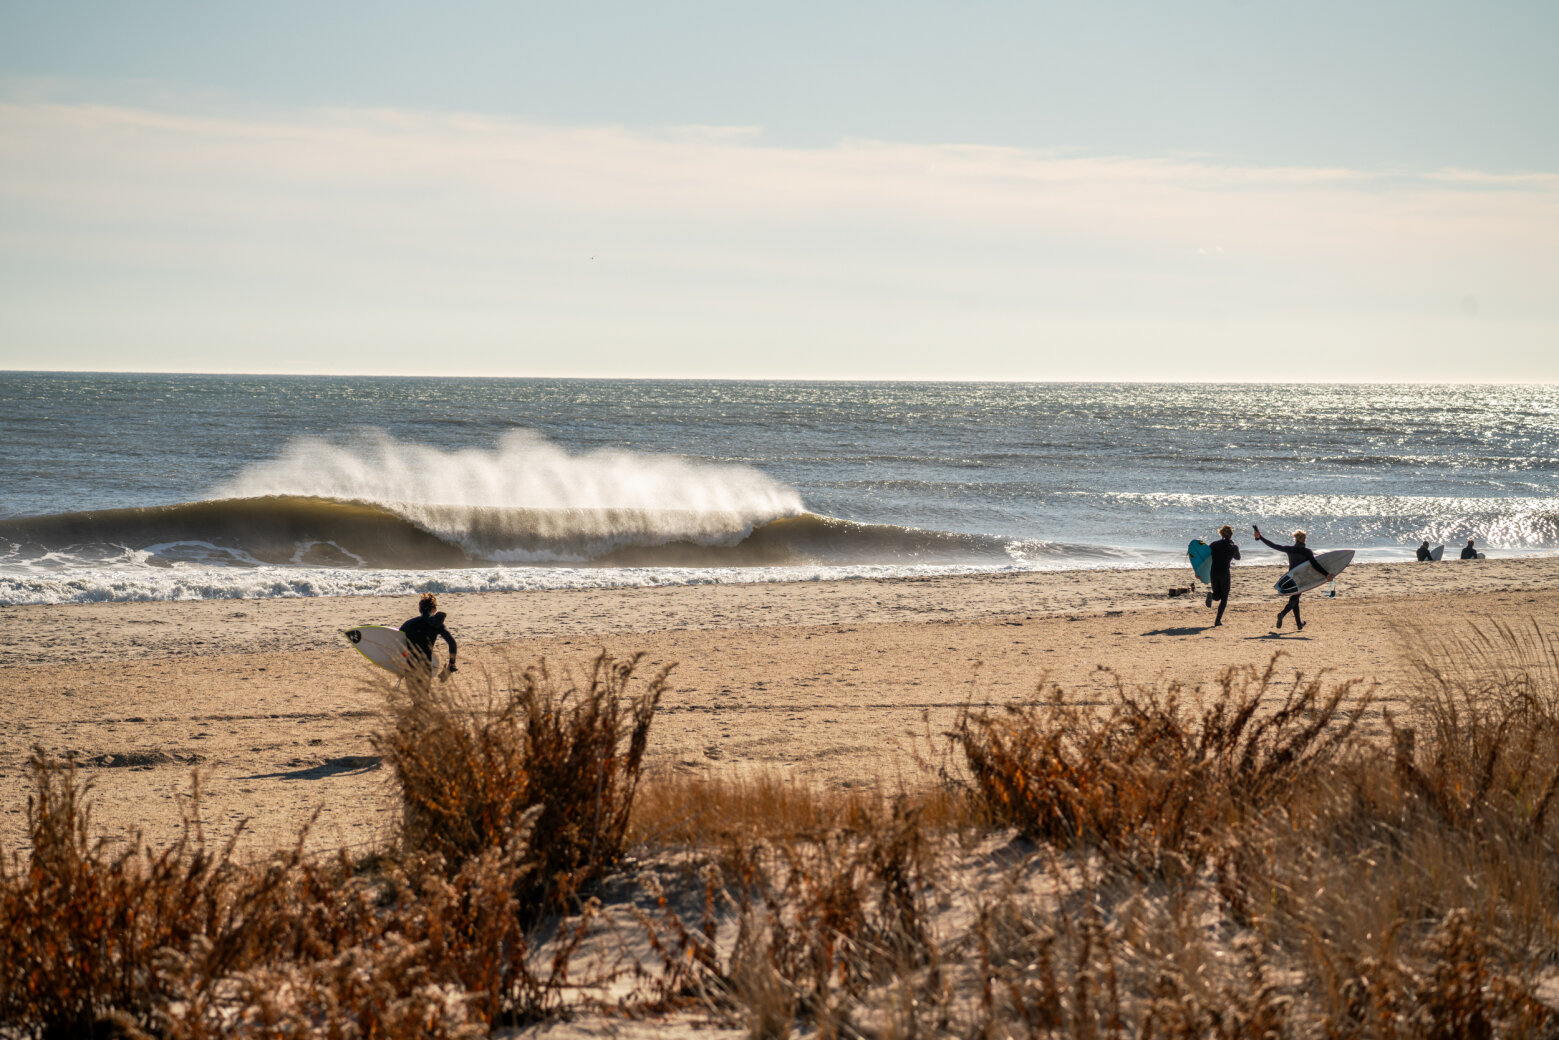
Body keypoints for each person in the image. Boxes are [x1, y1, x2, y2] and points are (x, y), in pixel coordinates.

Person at [1253, 525, 1328, 631]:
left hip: (1291, 577)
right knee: (1294, 599)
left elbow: (1274, 545)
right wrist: (1326, 574)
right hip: (1301, 579)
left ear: (1295, 539)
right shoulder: (1307, 552)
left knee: (1295, 600)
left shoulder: (1290, 549)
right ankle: (1282, 614)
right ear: (1304, 539)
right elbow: (1315, 565)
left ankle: (1299, 624)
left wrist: (1260, 537)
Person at [399, 592, 457, 693]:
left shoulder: (408, 624)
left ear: (420, 609)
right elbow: (452, 643)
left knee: (415, 698)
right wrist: (452, 664)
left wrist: (397, 665)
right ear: (434, 609)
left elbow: (396, 643)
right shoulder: (437, 625)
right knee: (424, 697)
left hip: (409, 664)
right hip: (425, 665)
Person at [1204, 524, 1241, 626]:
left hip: (1214, 572)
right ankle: (1217, 620)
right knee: (1224, 598)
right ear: (1231, 535)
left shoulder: (1214, 544)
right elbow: (1238, 558)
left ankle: (1211, 595)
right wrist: (1234, 550)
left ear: (1221, 533)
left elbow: (1205, 556)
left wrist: (1200, 572)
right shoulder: (1232, 546)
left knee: (1217, 596)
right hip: (1224, 573)